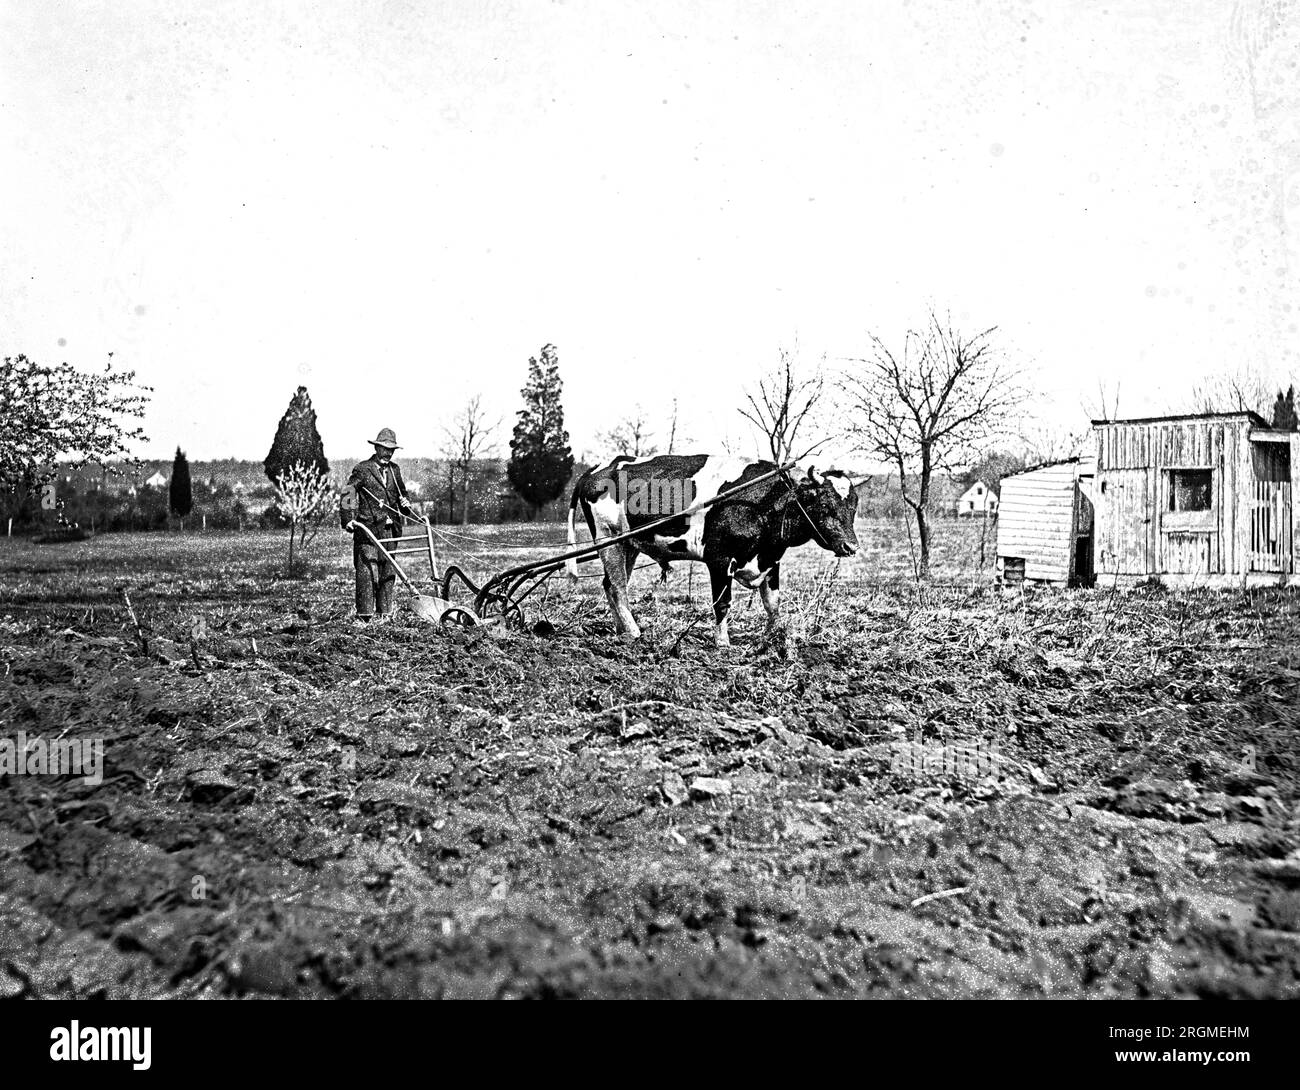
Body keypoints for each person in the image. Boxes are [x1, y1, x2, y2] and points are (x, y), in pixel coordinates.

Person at [343, 428, 418, 624]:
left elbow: (402, 494)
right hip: (367, 529)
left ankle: (385, 614)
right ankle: (364, 616)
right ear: (376, 448)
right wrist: (349, 519)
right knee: (367, 570)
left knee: (388, 571)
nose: (388, 453)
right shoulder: (363, 469)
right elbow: (348, 493)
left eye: (391, 450)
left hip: (389, 528)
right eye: (384, 449)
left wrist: (406, 505)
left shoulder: (395, 470)